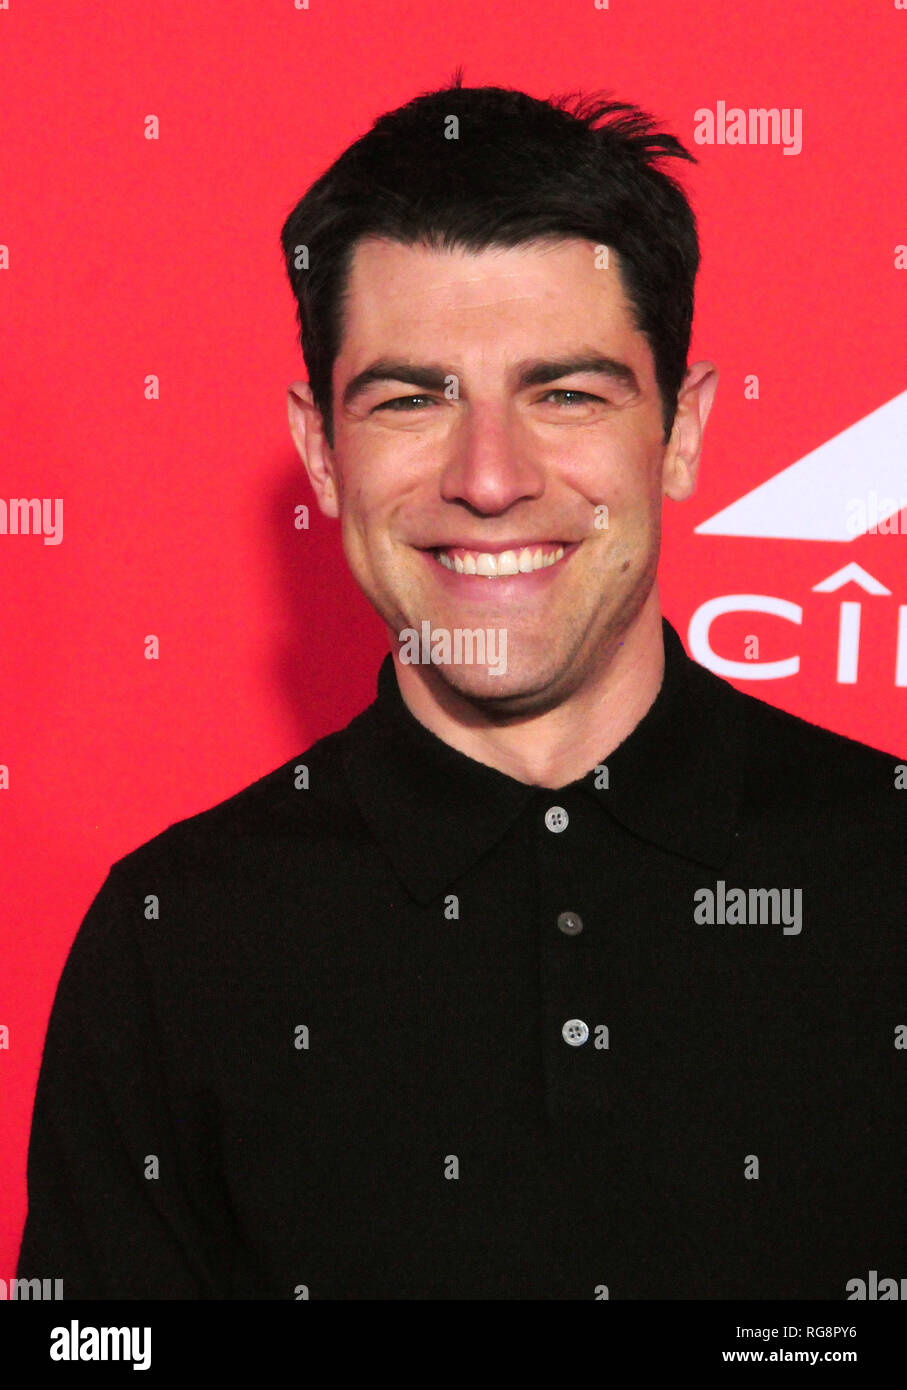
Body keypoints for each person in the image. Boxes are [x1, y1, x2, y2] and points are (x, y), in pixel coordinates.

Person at [17, 74, 906, 1300]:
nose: (489, 476)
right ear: (322, 452)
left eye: (566, 393)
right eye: (412, 399)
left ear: (684, 432)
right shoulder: (175, 936)